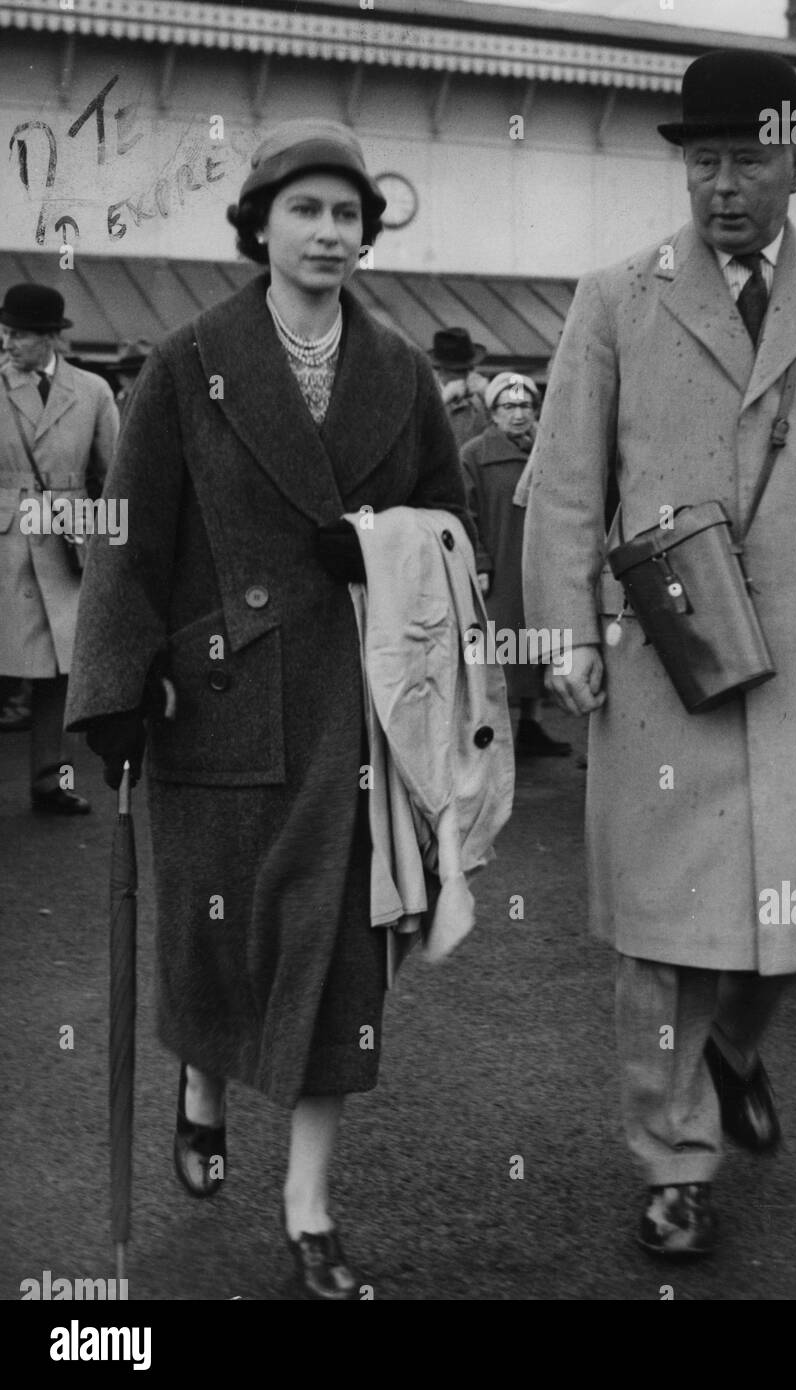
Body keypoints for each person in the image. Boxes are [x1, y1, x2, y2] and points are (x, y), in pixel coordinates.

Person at [523, 49, 796, 1257]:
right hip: (668, 666)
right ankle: (674, 1162)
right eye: (703, 161)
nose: (721, 186)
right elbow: (562, 482)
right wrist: (562, 633)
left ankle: (732, 1049)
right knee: (665, 931)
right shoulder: (615, 295)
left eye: (747, 160)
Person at [66, 119, 475, 1300]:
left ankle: (308, 1212)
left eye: (349, 215)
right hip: (214, 702)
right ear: (260, 225)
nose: (330, 234)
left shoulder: (399, 373)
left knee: (333, 959)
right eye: (306, 211)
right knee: (213, 942)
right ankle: (200, 1081)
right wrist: (116, 686)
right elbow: (129, 536)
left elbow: (453, 534)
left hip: (352, 714)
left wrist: (383, 545)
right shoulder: (188, 358)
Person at [0, 284, 118, 813]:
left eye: (19, 334)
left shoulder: (92, 390)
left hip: (66, 542)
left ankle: (50, 781)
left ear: (50, 337)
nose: (7, 343)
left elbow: (112, 474)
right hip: (4, 539)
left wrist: (111, 545)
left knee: (57, 671)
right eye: (4, 333)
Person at [462, 372, 571, 757]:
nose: (519, 414)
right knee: (500, 648)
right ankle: (493, 734)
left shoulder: (549, 449)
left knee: (536, 644)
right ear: (493, 413)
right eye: (509, 406)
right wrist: (479, 560)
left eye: (525, 405)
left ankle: (531, 724)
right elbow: (464, 512)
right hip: (500, 564)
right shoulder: (474, 454)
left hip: (540, 562)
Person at [430, 327, 491, 447]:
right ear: (440, 370)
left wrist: (491, 397)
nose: (465, 376)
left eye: (469, 369)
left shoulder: (479, 392)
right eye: (458, 371)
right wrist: (443, 400)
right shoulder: (423, 391)